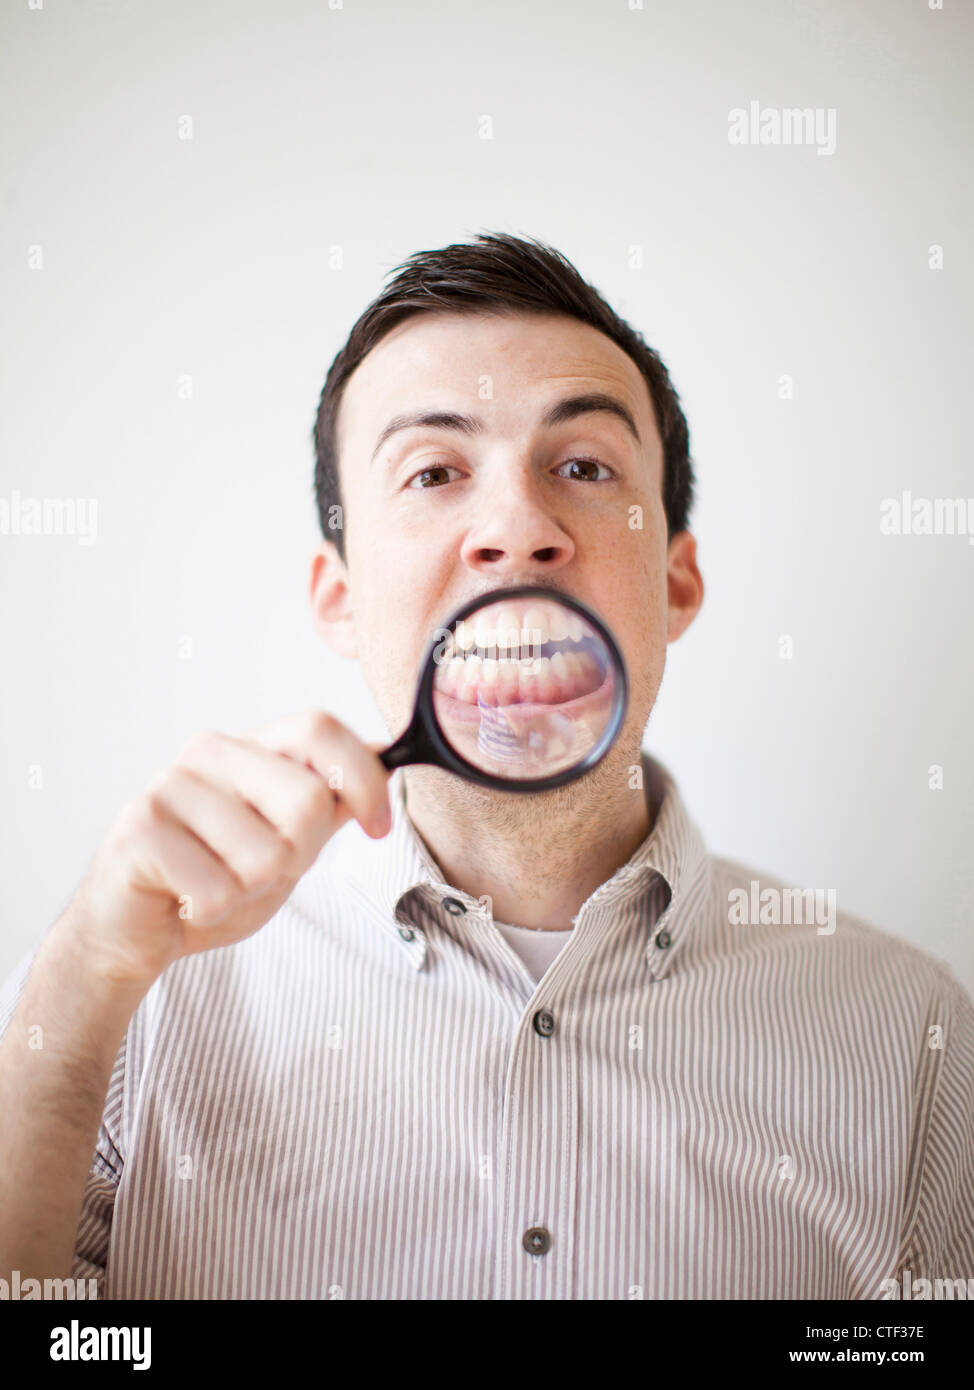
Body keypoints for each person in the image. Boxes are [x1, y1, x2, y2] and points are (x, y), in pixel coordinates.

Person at [1, 232, 971, 1300]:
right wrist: (83, 977)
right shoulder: (133, 1000)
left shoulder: (909, 1037)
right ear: (339, 596)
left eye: (584, 467)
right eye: (433, 471)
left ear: (675, 580)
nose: (516, 528)